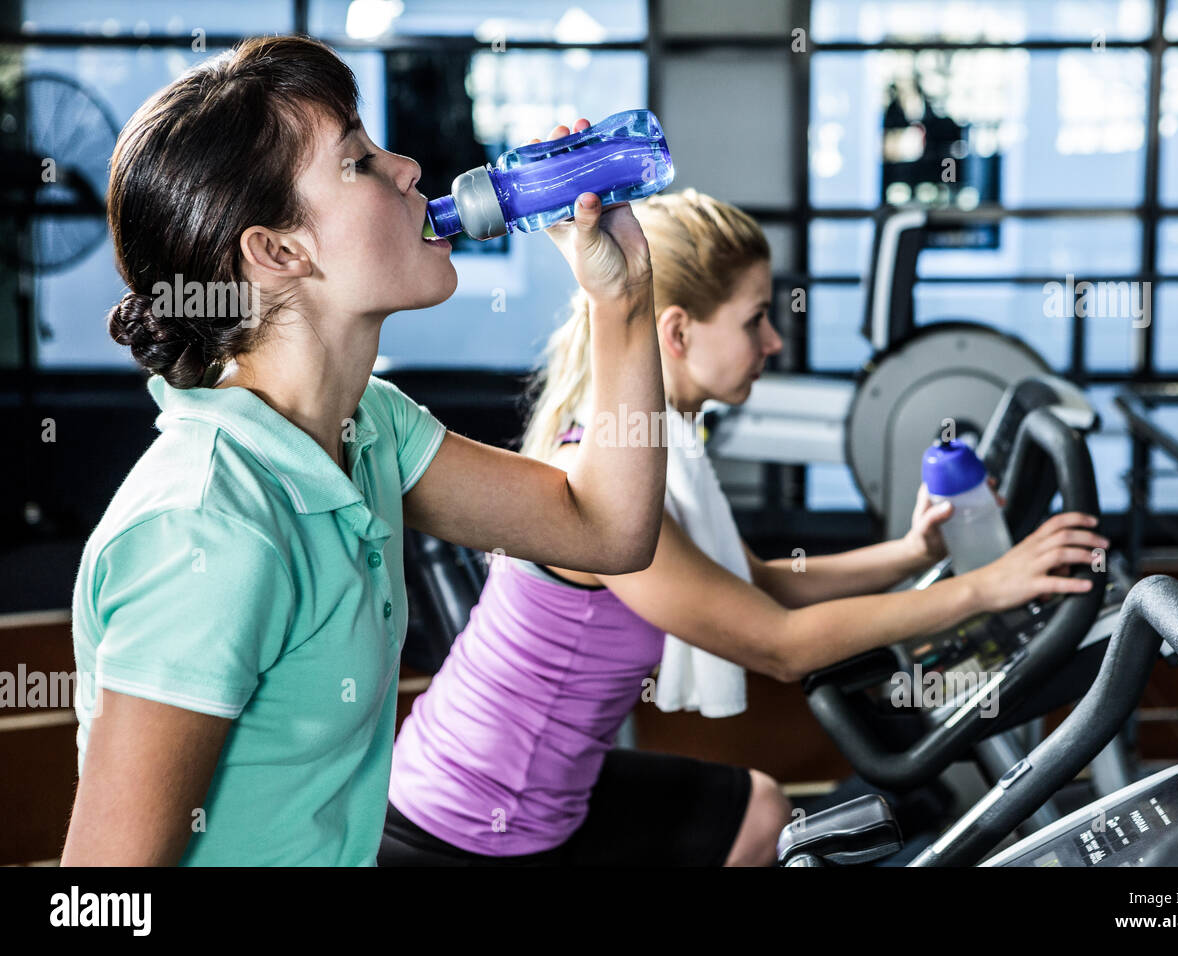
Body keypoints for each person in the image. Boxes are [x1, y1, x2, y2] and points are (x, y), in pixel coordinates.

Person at [61, 35, 666, 866]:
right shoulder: (206, 528)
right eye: (359, 161)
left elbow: (607, 530)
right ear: (278, 251)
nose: (410, 165)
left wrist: (623, 297)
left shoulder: (368, 427)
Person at [381, 189, 1108, 866]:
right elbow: (779, 646)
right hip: (469, 823)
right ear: (677, 332)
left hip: (547, 786)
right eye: (755, 318)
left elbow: (755, 583)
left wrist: (913, 553)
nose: (773, 344)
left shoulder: (653, 456)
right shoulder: (606, 484)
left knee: (760, 811)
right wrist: (985, 588)